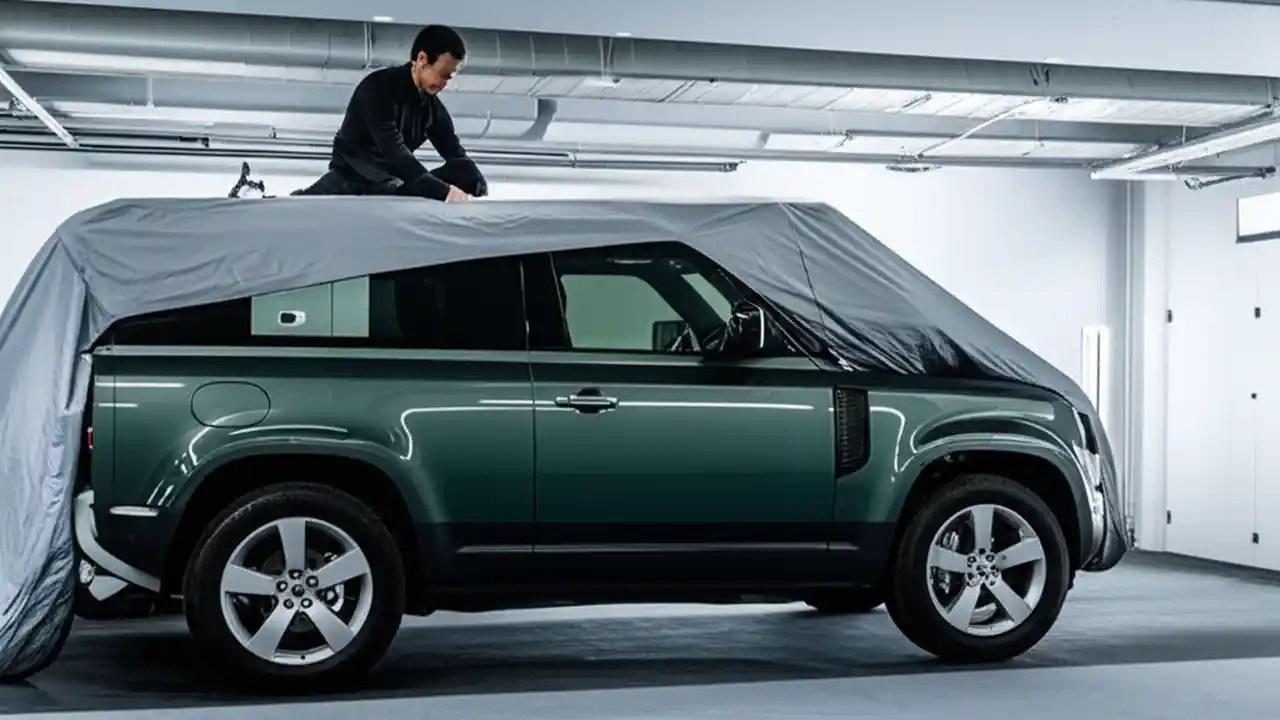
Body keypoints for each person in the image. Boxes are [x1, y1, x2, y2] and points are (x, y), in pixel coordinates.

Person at [293, 24, 487, 201]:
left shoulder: (433, 110)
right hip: (353, 178)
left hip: (393, 183)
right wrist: (444, 192)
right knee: (415, 181)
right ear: (421, 59)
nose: (445, 84)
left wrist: (478, 187)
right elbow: (395, 153)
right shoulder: (378, 88)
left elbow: (456, 154)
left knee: (466, 171)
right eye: (443, 75)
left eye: (450, 78)